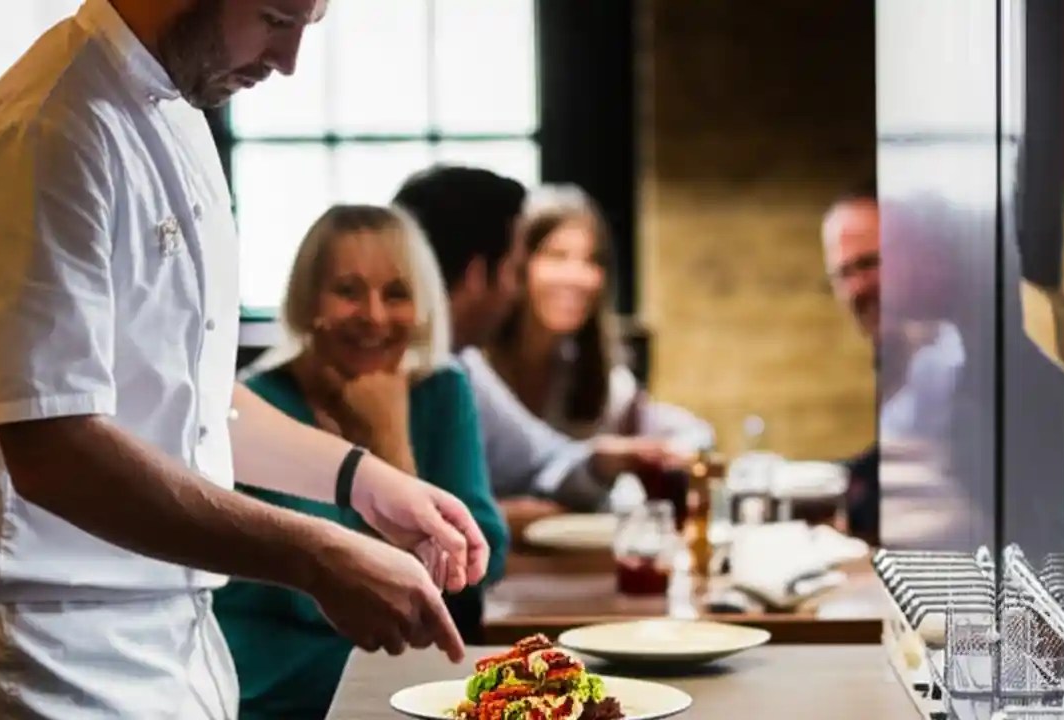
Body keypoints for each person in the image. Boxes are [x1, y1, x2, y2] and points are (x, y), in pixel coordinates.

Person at [0, 2, 486, 717]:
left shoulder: (177, 110)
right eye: (276, 18)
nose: (289, 58)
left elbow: (192, 400)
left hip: (175, 645)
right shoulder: (48, 129)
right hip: (58, 653)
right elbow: (54, 447)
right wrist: (316, 553)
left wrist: (362, 479)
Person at [214, 205, 509, 718]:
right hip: (274, 684)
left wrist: (389, 438)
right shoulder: (256, 405)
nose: (373, 316)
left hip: (401, 677)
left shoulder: (441, 390)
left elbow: (484, 556)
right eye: (348, 291)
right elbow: (323, 598)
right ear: (309, 302)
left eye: (395, 294)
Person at [393, 167, 673, 527]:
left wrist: (602, 460)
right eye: (515, 269)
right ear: (479, 274)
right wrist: (499, 516)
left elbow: (539, 461)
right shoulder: (422, 370)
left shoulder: (459, 365)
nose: (514, 291)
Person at [485, 184, 713, 449]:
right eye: (557, 257)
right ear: (517, 266)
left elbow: (692, 434)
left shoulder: (601, 377)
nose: (578, 277)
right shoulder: (477, 369)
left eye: (592, 260)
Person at [821, 179, 964, 542]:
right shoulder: (903, 356)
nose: (857, 288)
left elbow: (950, 491)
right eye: (843, 273)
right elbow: (892, 457)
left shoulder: (954, 355)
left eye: (870, 264)